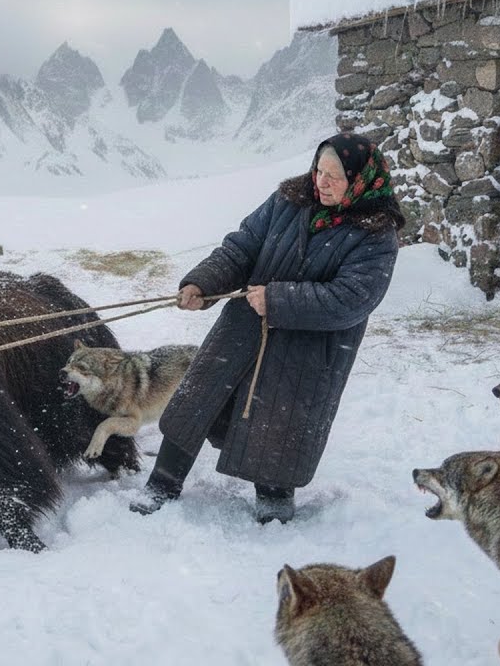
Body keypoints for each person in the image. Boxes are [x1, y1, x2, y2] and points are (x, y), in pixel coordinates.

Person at [131, 133, 404, 524]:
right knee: (196, 402)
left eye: (335, 176)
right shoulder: (289, 200)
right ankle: (163, 482)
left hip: (306, 352)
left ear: (360, 180)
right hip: (241, 328)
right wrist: (203, 283)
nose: (321, 182)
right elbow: (242, 247)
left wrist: (278, 300)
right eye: (319, 170)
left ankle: (274, 497)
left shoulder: (376, 234)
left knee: (280, 423)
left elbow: (351, 299)